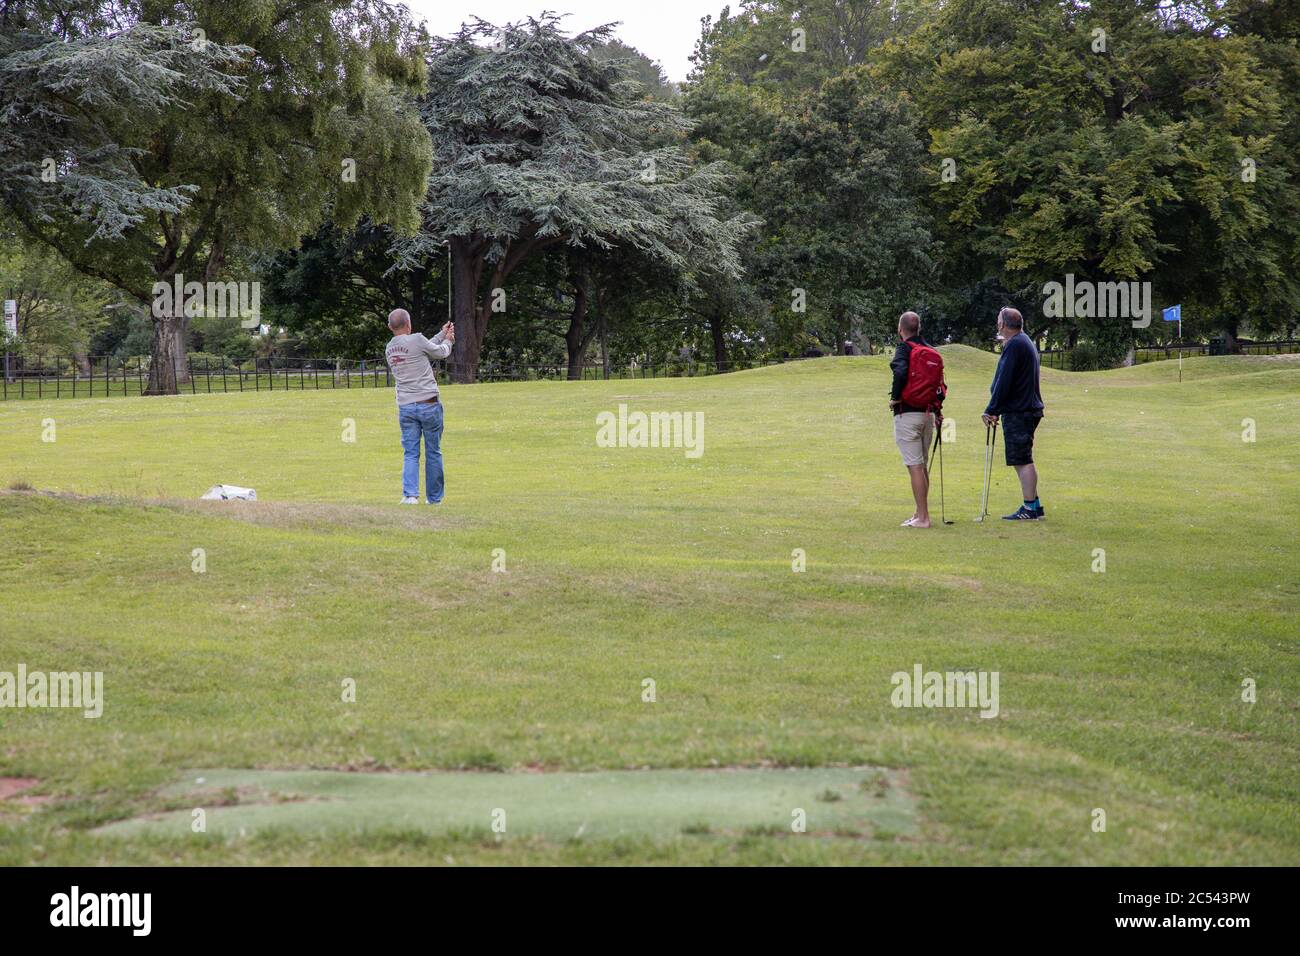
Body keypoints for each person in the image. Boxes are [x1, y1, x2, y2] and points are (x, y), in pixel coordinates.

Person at [384, 309, 454, 504]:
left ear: (390, 327)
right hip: (429, 404)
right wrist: (448, 340)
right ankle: (434, 499)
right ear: (409, 324)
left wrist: (441, 334)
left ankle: (410, 495)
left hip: (406, 407)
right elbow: (440, 352)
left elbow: (425, 347)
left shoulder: (389, 348)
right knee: (433, 451)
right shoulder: (417, 339)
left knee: (411, 453)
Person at [981, 307, 1045, 520]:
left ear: (1002, 325)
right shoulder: (1023, 341)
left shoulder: (1015, 345)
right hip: (1026, 408)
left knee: (1021, 459)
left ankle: (1029, 508)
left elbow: (1004, 381)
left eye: (998, 320)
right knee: (1024, 457)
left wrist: (992, 409)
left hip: (1020, 410)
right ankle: (1034, 505)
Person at [889, 311, 941, 528]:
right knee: (922, 464)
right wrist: (939, 412)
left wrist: (895, 397)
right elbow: (939, 386)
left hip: (907, 413)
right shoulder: (930, 350)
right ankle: (920, 512)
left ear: (901, 330)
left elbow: (900, 372)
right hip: (927, 414)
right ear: (919, 329)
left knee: (915, 466)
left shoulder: (904, 348)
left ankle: (923, 518)